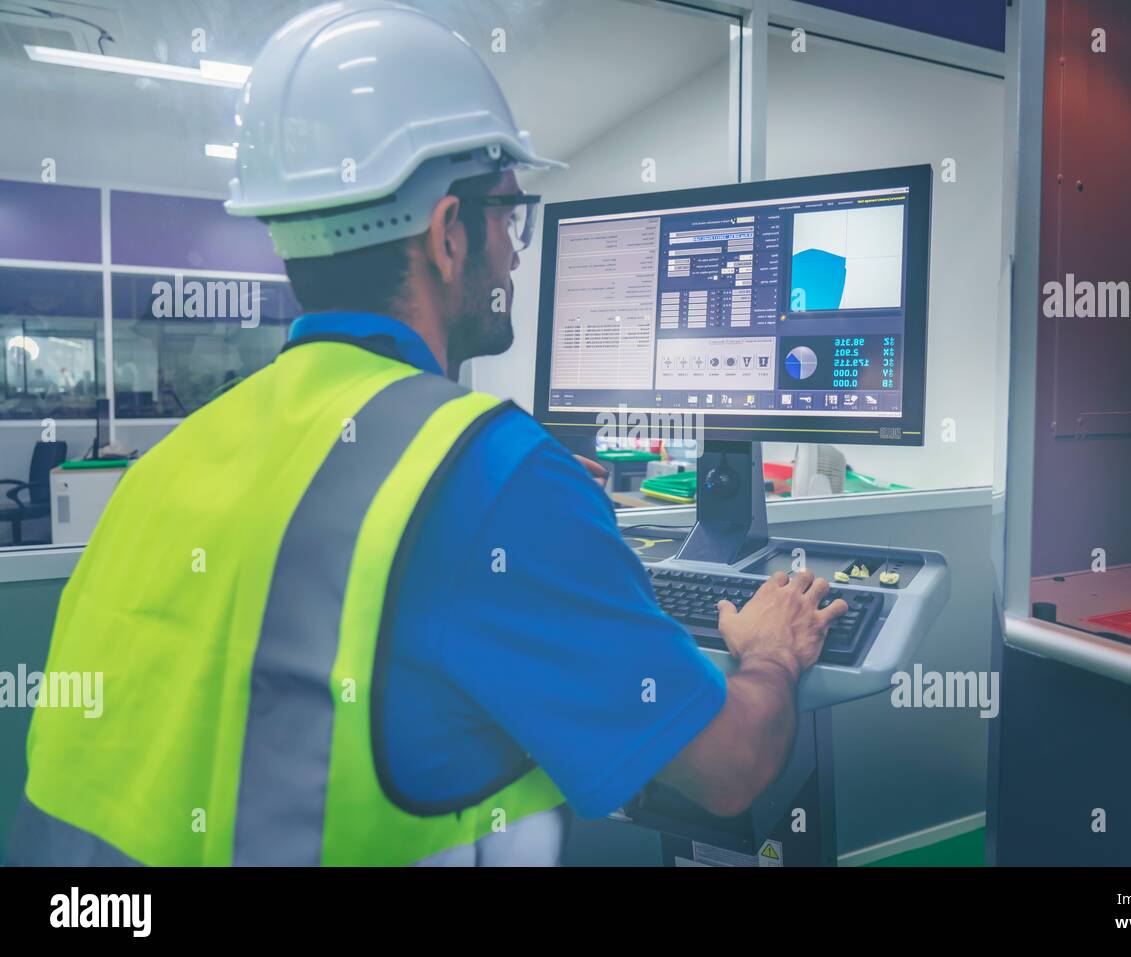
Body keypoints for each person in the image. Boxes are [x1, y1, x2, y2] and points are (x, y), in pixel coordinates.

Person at [7, 0, 846, 867]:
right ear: (450, 232)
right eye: (509, 217)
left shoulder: (169, 462)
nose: (517, 253)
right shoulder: (492, 478)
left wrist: (532, 515)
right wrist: (770, 653)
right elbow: (731, 767)